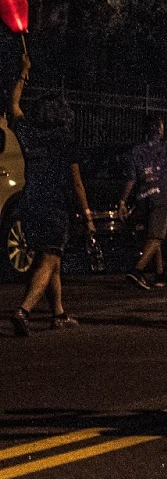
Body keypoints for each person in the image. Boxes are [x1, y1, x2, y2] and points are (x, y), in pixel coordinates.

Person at [8, 55, 94, 334]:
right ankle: (23, 311)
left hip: (30, 202)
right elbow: (77, 182)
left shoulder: (29, 134)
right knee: (49, 258)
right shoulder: (65, 140)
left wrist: (23, 73)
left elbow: (14, 105)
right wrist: (88, 216)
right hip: (54, 207)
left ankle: (58, 312)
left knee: (51, 258)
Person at [119, 114, 167, 289]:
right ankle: (138, 270)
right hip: (162, 196)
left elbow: (131, 178)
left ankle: (159, 274)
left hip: (143, 197)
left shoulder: (136, 151)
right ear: (160, 130)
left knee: (153, 234)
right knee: (157, 237)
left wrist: (123, 200)